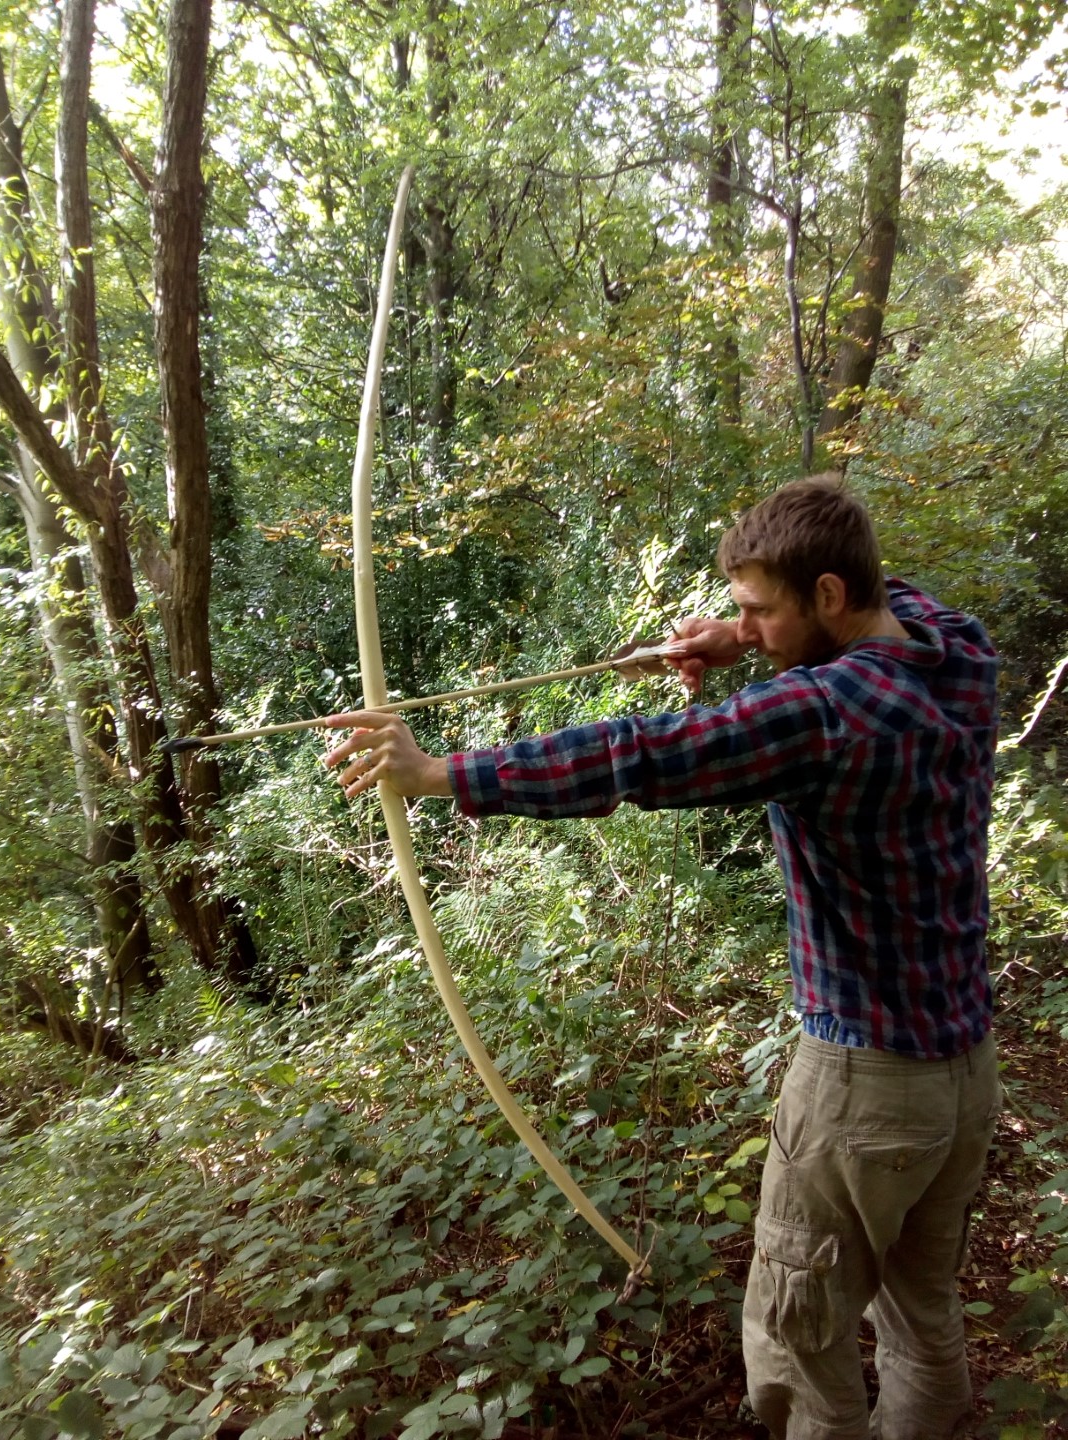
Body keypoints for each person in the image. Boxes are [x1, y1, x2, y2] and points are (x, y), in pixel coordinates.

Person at [323, 475, 1000, 1440]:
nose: (746, 626)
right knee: (920, 1315)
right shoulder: (955, 654)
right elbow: (903, 600)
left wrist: (440, 775)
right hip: (965, 1075)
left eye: (760, 609)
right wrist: (742, 635)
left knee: (800, 1344)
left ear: (830, 597)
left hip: (866, 1087)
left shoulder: (821, 712)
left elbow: (645, 755)